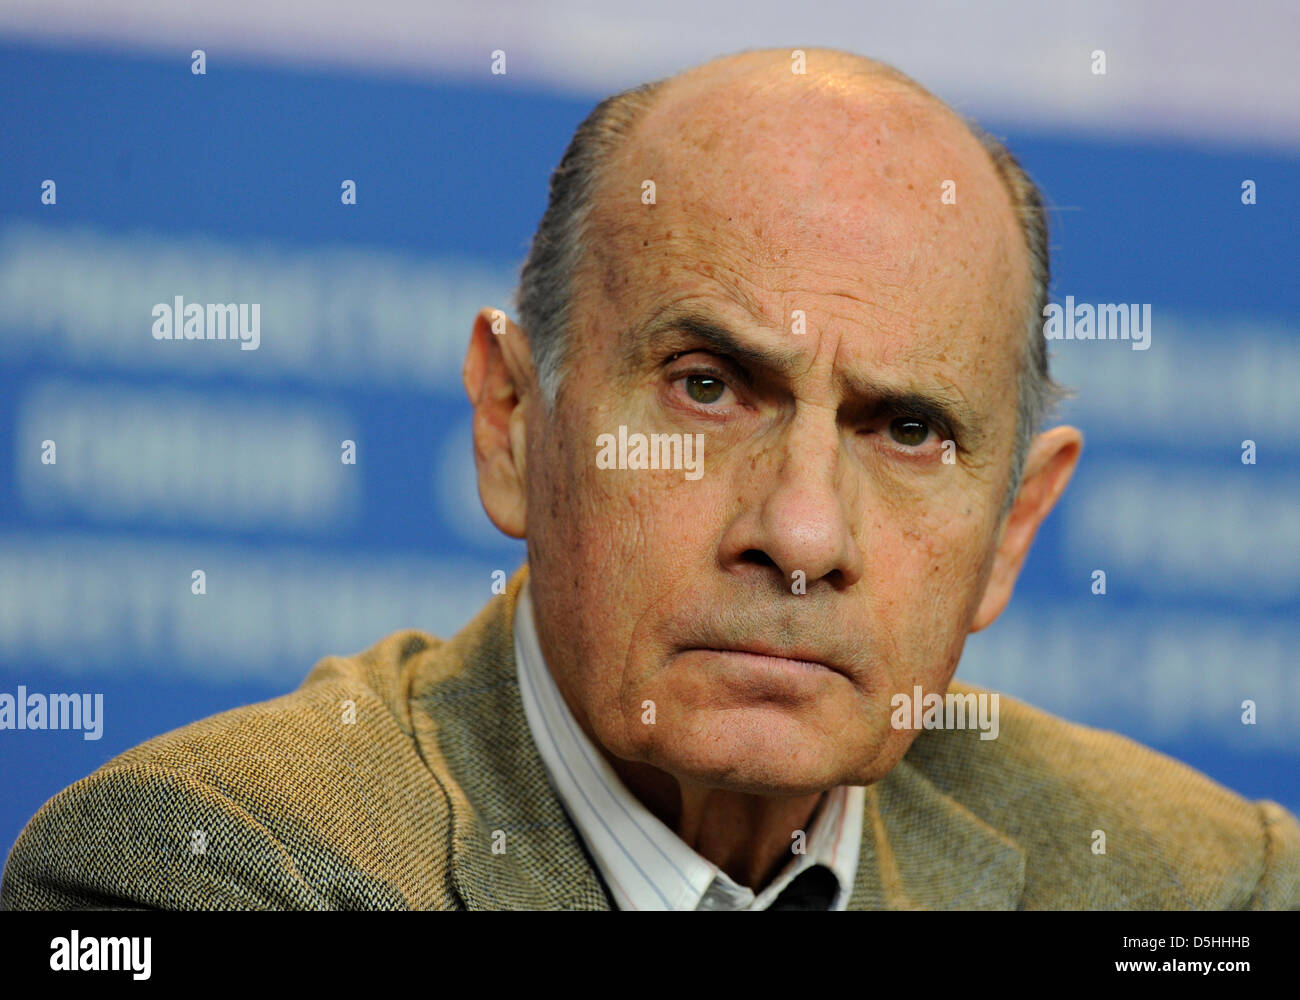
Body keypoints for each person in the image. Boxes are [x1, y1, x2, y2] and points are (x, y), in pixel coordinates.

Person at [4, 47, 1296, 911]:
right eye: (708, 388)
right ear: (512, 420)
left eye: (906, 429)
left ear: (1013, 531)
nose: (799, 533)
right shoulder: (209, 869)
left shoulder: (1206, 892)